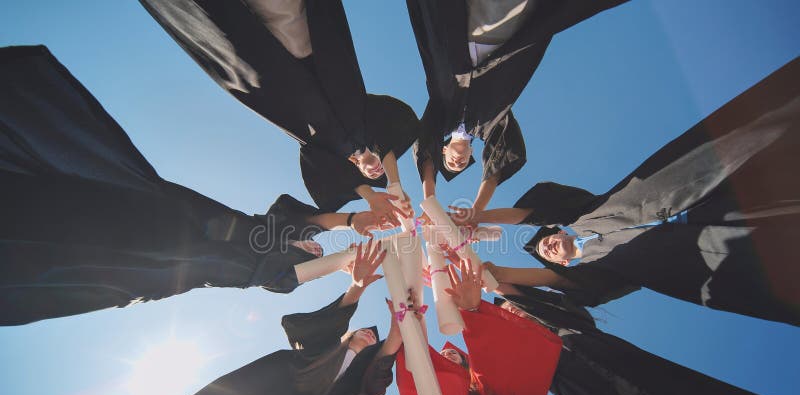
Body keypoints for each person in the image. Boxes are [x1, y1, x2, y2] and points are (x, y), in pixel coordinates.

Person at [0, 45, 388, 326]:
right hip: (151, 209)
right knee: (71, 203)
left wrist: (344, 264)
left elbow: (290, 269)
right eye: (315, 246)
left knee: (64, 254)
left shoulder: (265, 269)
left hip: (146, 264)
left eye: (314, 251)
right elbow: (303, 222)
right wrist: (351, 221)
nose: (316, 246)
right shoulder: (266, 229)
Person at [460, 57, 800, 326]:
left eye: (546, 240)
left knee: (760, 141)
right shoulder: (603, 271)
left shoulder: (582, 214)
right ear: (562, 262)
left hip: (678, 183)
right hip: (706, 249)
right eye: (547, 253)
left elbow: (531, 214)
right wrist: (496, 274)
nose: (546, 246)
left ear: (559, 230)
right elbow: (555, 280)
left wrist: (480, 216)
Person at [140, 0, 418, 222]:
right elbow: (395, 129)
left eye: (372, 176)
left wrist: (371, 196)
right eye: (380, 171)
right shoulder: (368, 118)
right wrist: (393, 185)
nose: (376, 171)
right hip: (304, 36)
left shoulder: (323, 151)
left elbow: (330, 181)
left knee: (223, 16)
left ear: (355, 171)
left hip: (270, 64)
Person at [113, 240, 401, 395]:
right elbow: (311, 331)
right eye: (363, 331)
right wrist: (357, 287)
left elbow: (382, 365)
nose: (369, 335)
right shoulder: (316, 354)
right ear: (346, 335)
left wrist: (401, 322)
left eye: (373, 339)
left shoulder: (358, 386)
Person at [494, 284, 799, 395]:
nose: (513, 314)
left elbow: (557, 305)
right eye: (506, 316)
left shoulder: (570, 324)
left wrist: (502, 289)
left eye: (514, 308)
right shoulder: (532, 363)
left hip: (663, 385)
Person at [408, 0, 628, 212]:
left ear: (443, 149)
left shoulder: (441, 114)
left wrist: (429, 200)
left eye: (449, 163)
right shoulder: (492, 121)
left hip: (456, 37)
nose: (457, 163)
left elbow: (425, 142)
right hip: (501, 41)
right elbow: (507, 153)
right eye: (461, 165)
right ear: (472, 153)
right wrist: (477, 210)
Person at [397, 260, 562, 395]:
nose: (447, 353)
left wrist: (472, 311)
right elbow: (420, 367)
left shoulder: (483, 390)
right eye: (443, 355)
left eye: (451, 352)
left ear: (466, 362)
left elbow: (501, 372)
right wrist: (411, 322)